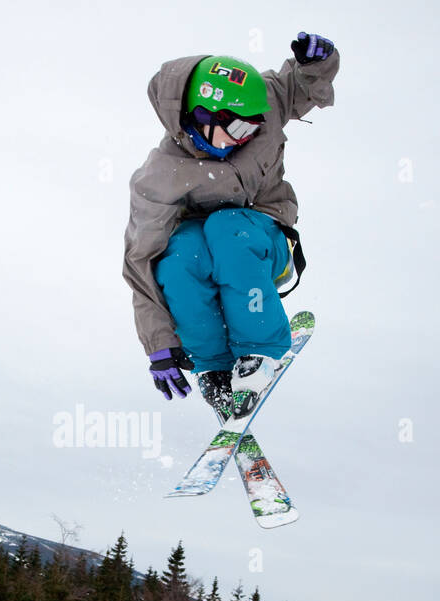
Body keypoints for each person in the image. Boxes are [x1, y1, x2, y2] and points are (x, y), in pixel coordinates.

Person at [124, 33, 340, 415]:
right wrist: (158, 344)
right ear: (203, 117)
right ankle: (215, 368)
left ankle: (258, 350)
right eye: (239, 130)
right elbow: (140, 261)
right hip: (205, 255)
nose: (248, 138)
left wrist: (314, 61)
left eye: (254, 129)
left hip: (264, 239)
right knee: (178, 255)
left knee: (226, 227)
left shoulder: (260, 110)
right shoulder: (158, 177)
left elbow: (300, 83)